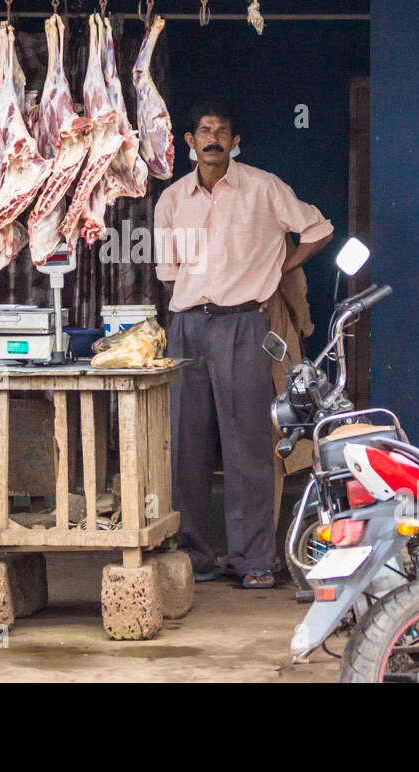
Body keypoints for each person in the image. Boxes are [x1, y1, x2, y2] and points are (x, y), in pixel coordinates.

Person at [154, 99, 333, 588]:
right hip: (188, 325)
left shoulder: (263, 187)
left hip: (244, 325)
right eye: (203, 130)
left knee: (249, 445)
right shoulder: (171, 200)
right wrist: (197, 305)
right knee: (186, 443)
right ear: (189, 142)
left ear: (235, 141)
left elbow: (318, 227)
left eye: (222, 131)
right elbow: (169, 276)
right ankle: (194, 555)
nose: (213, 138)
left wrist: (284, 267)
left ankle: (253, 559)